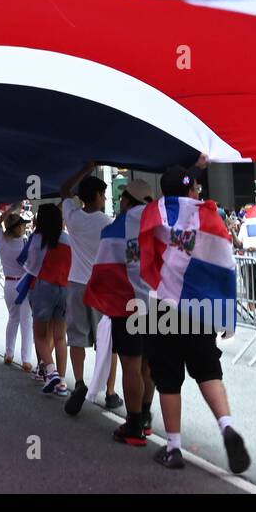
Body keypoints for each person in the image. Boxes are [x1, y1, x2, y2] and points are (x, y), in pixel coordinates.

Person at [146, 163, 250, 475]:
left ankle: (173, 448)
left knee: (168, 378)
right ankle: (226, 426)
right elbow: (225, 265)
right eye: (196, 187)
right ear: (192, 189)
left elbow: (144, 253)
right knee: (208, 371)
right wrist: (226, 314)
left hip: (164, 306)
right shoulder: (209, 216)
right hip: (200, 310)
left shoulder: (154, 215)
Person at [93, 179, 160, 446]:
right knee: (149, 363)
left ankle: (133, 427)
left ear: (128, 200)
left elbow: (104, 270)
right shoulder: (161, 222)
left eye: (122, 198)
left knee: (131, 364)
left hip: (129, 305)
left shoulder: (114, 229)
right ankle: (145, 417)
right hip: (159, 304)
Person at [59, 162, 119, 414]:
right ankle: (110, 392)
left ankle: (79, 383)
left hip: (75, 285)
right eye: (103, 194)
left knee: (76, 338)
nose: (105, 198)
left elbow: (64, 189)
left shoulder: (73, 218)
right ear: (97, 195)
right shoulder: (108, 223)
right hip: (101, 287)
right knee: (108, 343)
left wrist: (86, 168)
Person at [22, 203, 72, 396]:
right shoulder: (67, 238)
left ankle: (51, 372)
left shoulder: (37, 239)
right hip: (64, 288)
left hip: (43, 287)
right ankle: (62, 383)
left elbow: (30, 266)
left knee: (40, 335)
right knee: (60, 337)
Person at [0, 211, 34, 371]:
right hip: (24, 285)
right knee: (26, 322)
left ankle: (9, 353)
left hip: (9, 284)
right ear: (17, 228)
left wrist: (9, 209)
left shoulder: (2, 242)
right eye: (23, 225)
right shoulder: (25, 244)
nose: (25, 227)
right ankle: (26, 359)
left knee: (13, 319)